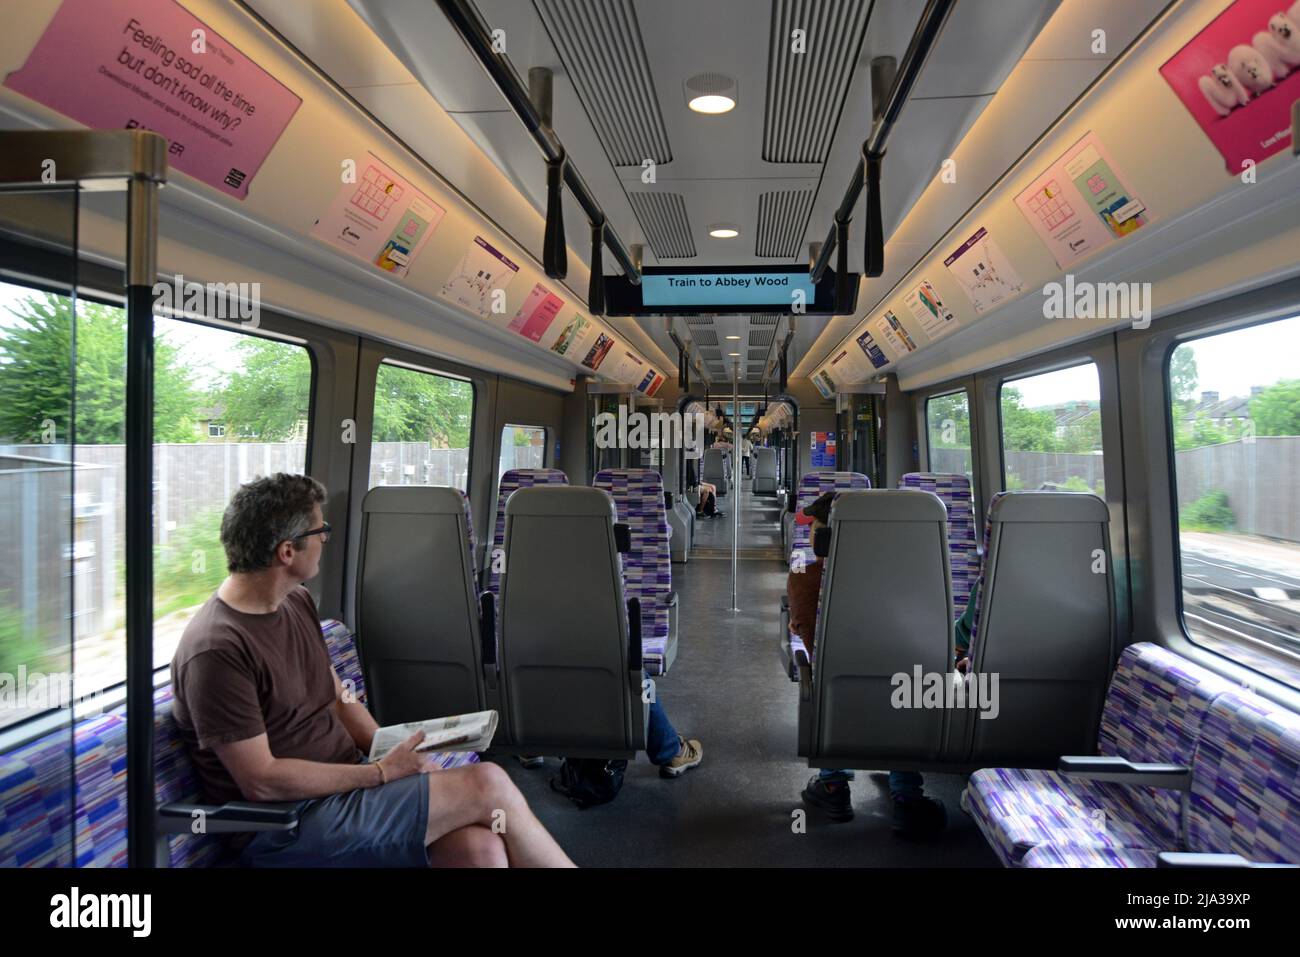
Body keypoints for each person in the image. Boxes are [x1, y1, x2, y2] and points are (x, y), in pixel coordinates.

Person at [171, 473, 574, 867]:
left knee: (477, 849)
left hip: (344, 791)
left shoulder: (295, 603)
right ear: (287, 552)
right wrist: (380, 774)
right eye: (320, 531)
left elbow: (338, 698)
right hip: (288, 825)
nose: (325, 539)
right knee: (488, 784)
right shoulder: (216, 651)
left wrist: (390, 749)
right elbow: (262, 780)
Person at [788, 492, 947, 838]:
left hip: (838, 691)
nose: (812, 532)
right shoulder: (915, 579)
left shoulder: (804, 576)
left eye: (816, 526)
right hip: (907, 694)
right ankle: (906, 795)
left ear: (828, 537)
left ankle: (833, 787)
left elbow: (803, 631)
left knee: (827, 680)